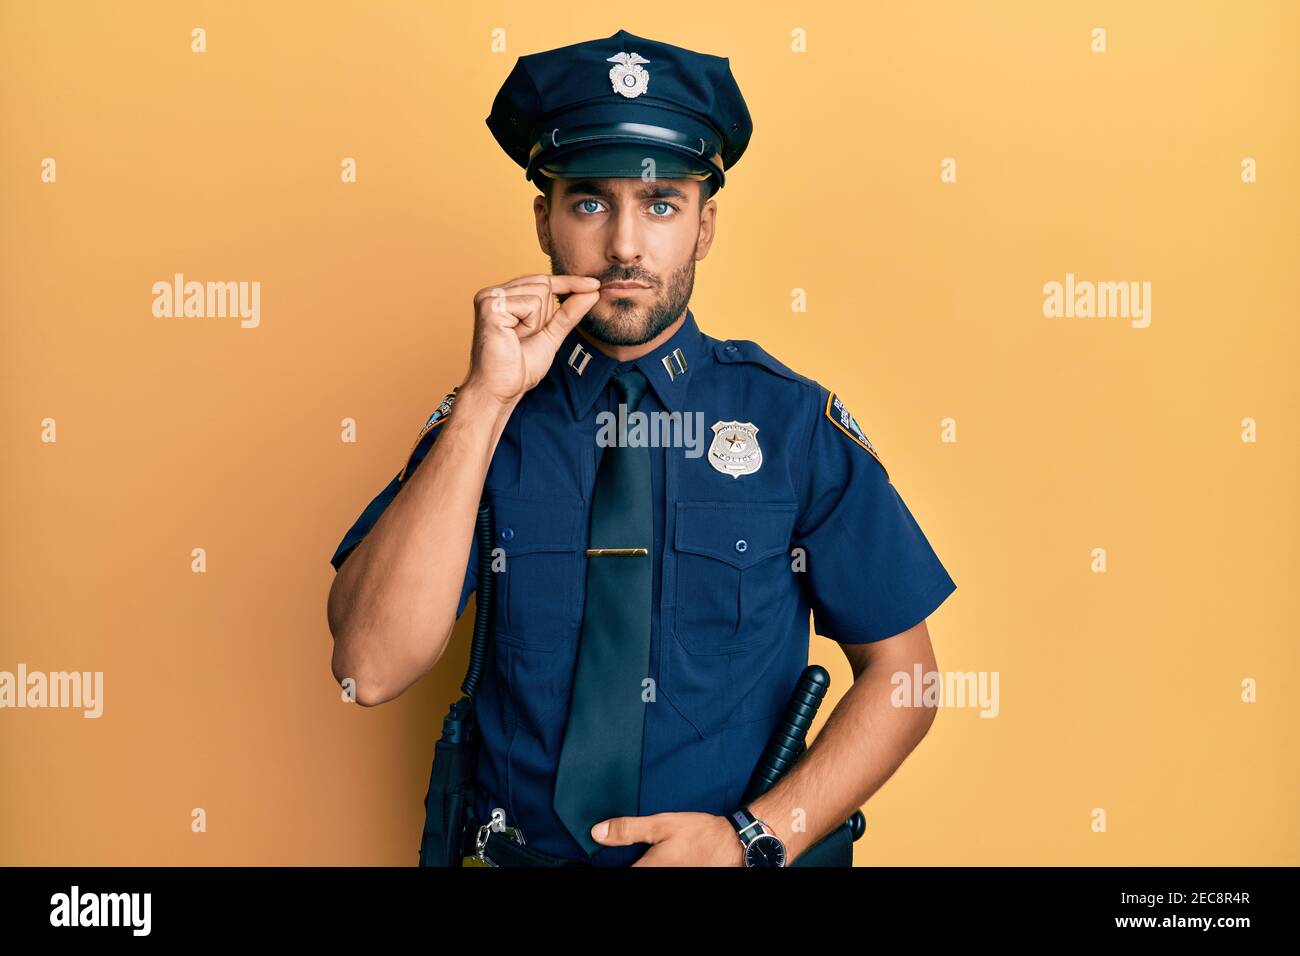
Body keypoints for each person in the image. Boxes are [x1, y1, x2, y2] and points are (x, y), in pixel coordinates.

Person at [325, 28, 957, 867]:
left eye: (660, 205)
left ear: (704, 226)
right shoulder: (481, 424)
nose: (625, 244)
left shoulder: (793, 424)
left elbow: (906, 679)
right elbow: (367, 669)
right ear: (544, 218)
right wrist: (483, 403)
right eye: (590, 200)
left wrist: (754, 840)